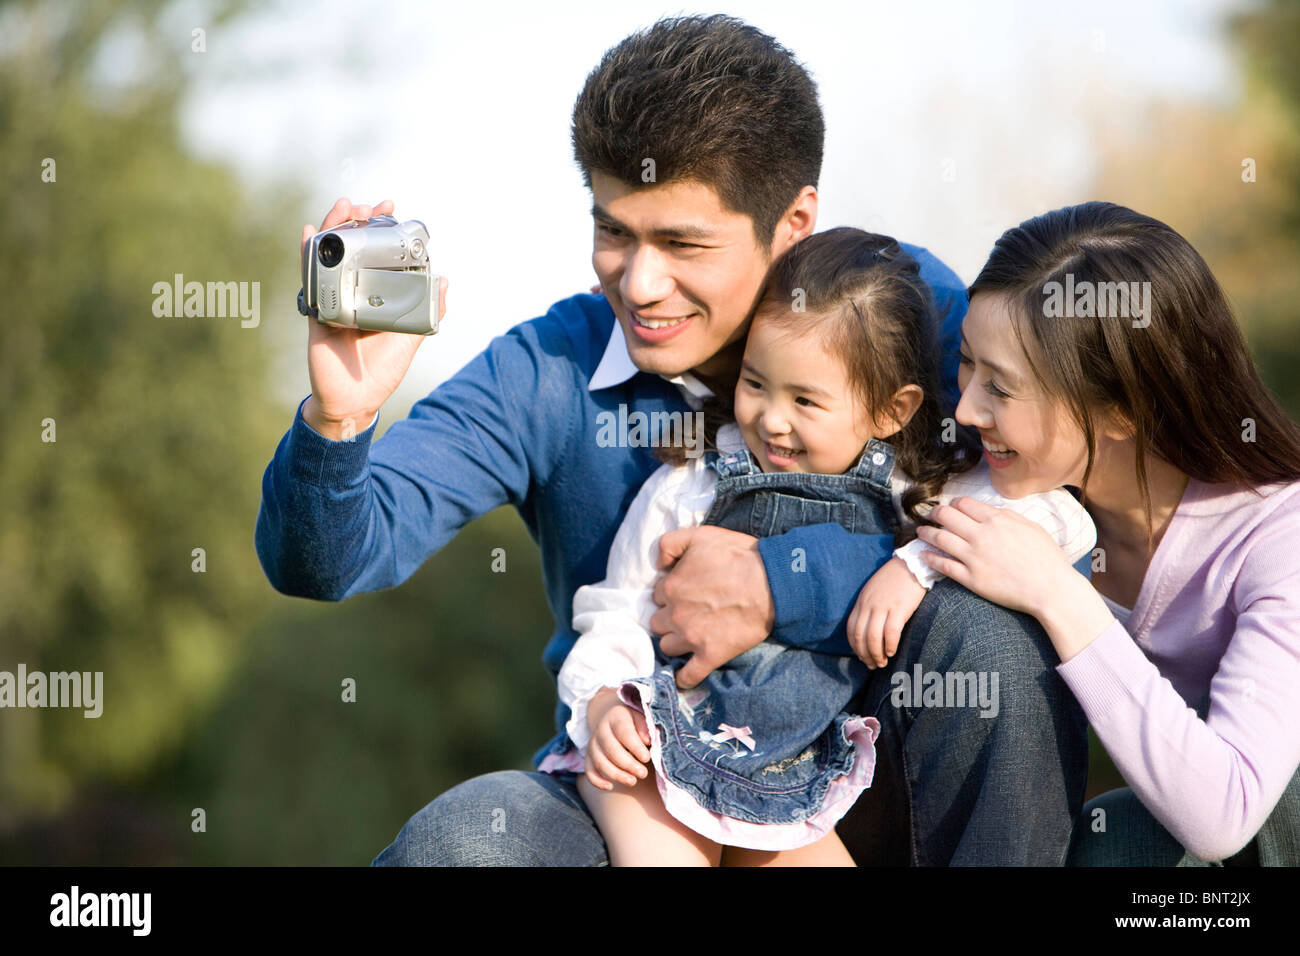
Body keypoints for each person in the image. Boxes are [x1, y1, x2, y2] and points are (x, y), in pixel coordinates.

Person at [255, 14, 1091, 866]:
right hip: (645, 777)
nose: (641, 283)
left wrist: (782, 584)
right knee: (469, 840)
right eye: (614, 231)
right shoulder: (546, 370)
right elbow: (324, 562)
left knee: (991, 635)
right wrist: (342, 417)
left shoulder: (902, 311)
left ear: (793, 220)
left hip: (880, 775)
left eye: (683, 242)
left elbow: (1042, 518)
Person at [548, 228, 1097, 866]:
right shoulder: (692, 484)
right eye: (756, 384)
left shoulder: (912, 489)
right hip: (663, 739)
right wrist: (604, 700)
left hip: (803, 773)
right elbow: (616, 607)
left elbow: (1058, 518)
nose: (772, 419)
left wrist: (915, 564)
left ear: (893, 409)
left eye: (806, 400)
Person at [910, 201, 1300, 865]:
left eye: (1001, 389)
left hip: (1266, 826)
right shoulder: (1026, 487)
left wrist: (1057, 596)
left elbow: (1226, 814)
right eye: (967, 363)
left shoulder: (1277, 537)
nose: (968, 408)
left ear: (1121, 410)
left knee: (1120, 842)